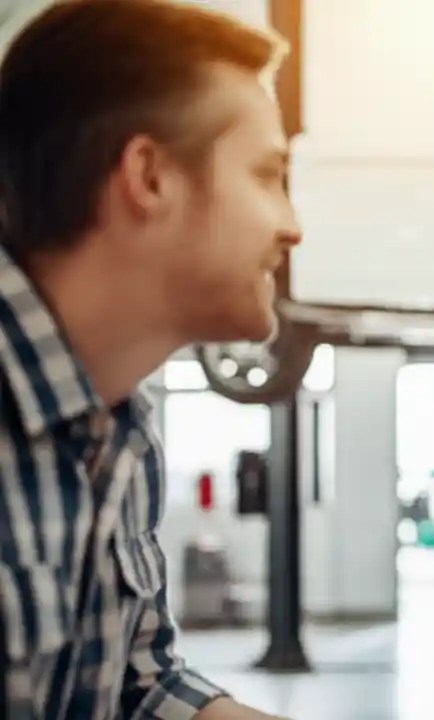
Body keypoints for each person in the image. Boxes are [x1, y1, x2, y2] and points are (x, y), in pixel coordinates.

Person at [0, 1, 300, 718]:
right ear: (150, 176)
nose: (292, 226)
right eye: (267, 175)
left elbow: (141, 687)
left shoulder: (117, 426)